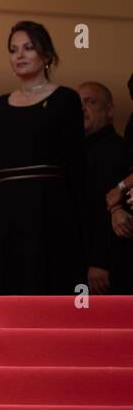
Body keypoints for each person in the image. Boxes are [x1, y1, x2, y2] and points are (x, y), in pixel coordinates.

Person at [0, 21, 87, 295]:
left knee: (48, 283)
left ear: (46, 55)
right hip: (8, 206)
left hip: (51, 206)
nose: (20, 55)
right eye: (13, 50)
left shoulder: (65, 99)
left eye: (28, 48)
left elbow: (78, 166)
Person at [79, 81, 129, 294]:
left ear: (109, 110)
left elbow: (109, 207)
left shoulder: (117, 150)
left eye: (90, 102)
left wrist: (99, 261)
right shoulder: (75, 152)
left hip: (103, 267)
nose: (82, 108)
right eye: (78, 103)